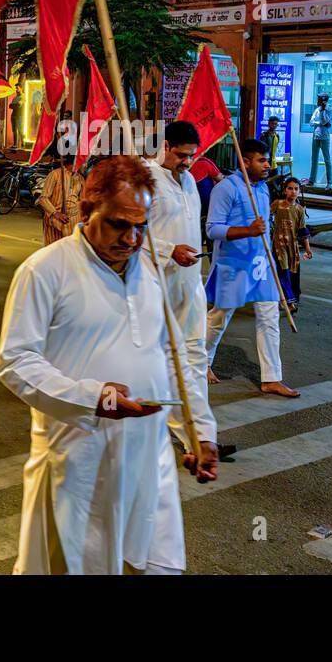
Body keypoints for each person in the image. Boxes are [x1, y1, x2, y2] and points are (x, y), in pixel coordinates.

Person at [0, 155, 219, 575]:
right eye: (119, 223)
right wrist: (91, 397)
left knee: (149, 562)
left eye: (141, 226)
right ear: (86, 209)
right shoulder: (46, 270)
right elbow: (14, 361)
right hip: (78, 458)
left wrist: (198, 432)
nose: (132, 238)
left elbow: (171, 357)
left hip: (146, 457)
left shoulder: (150, 272)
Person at [147, 121, 222, 453]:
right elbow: (133, 234)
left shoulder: (190, 180)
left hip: (192, 284)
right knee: (165, 360)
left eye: (192, 155)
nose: (187, 162)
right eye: (181, 155)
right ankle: (179, 433)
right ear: (165, 147)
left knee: (195, 356)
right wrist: (169, 251)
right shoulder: (146, 180)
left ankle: (202, 436)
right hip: (158, 283)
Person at [204, 138, 299, 397]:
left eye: (267, 159)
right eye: (262, 160)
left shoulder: (263, 189)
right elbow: (212, 229)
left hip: (260, 263)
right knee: (220, 316)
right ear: (245, 162)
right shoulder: (226, 188)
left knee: (269, 318)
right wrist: (248, 230)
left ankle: (271, 377)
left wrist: (270, 257)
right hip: (233, 263)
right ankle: (201, 363)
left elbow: (263, 228)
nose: (268, 165)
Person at [271, 177, 312, 311]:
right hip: (278, 246)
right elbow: (264, 216)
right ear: (285, 190)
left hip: (292, 248)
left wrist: (307, 249)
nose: (293, 191)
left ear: (299, 191)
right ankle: (287, 301)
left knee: (292, 274)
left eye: (296, 189)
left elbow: (302, 231)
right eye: (290, 188)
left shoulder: (300, 209)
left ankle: (290, 299)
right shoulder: (277, 204)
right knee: (282, 273)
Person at [38, 151, 83, 245]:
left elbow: (83, 199)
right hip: (55, 220)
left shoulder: (80, 178)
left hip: (73, 222)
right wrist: (56, 213)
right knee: (54, 250)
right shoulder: (55, 175)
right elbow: (43, 199)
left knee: (70, 251)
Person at [310, 94, 332, 188]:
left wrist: (323, 111)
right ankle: (312, 180)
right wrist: (321, 123)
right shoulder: (316, 110)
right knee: (314, 159)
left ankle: (329, 182)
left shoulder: (330, 110)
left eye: (318, 99)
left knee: (327, 160)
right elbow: (311, 123)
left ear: (324, 100)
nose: (317, 101)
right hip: (315, 136)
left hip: (324, 138)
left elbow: (325, 121)